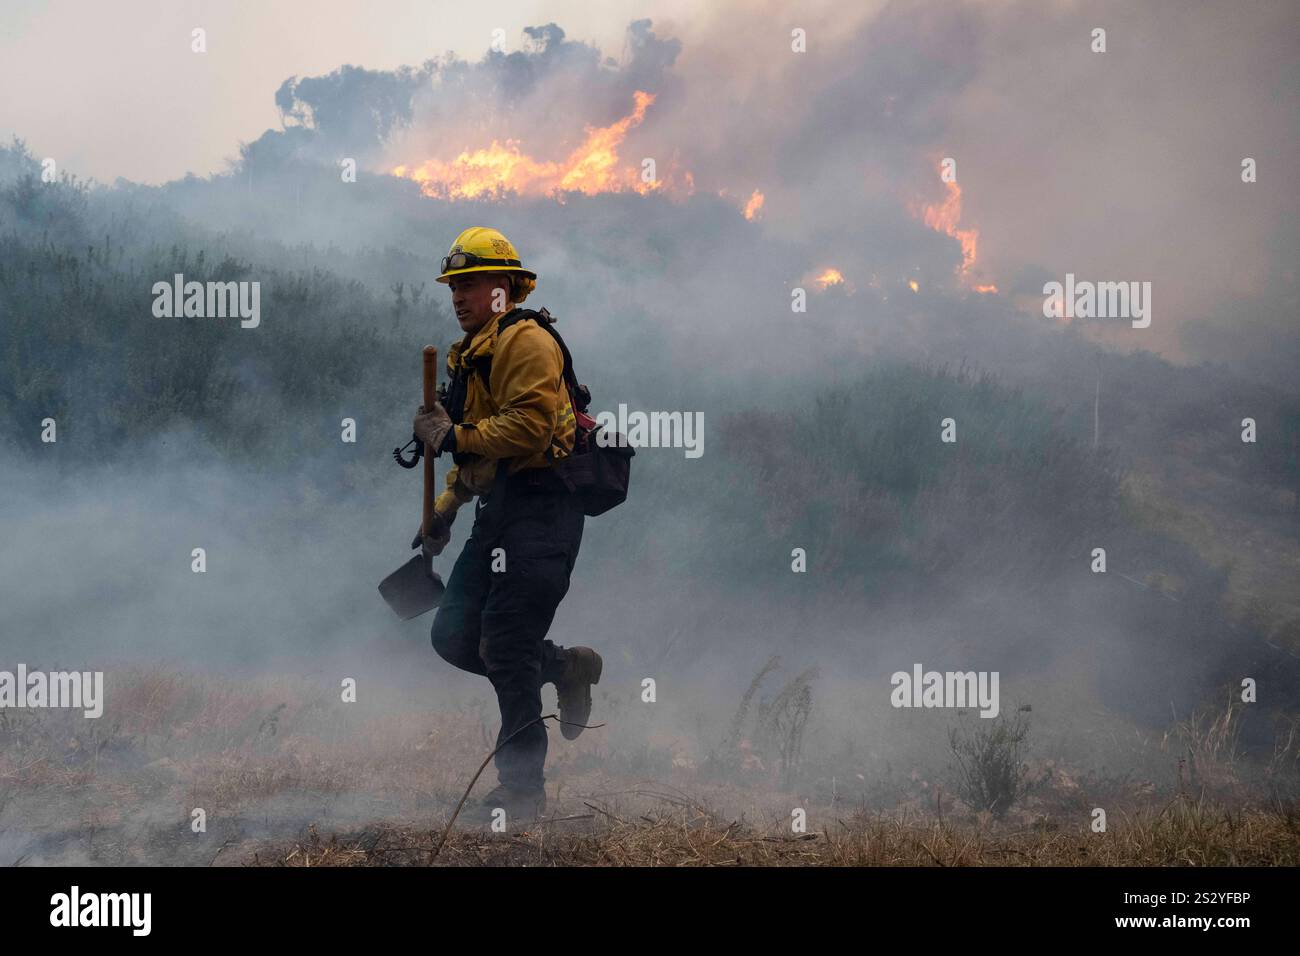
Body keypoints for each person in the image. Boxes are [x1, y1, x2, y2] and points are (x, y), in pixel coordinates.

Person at [411, 226, 602, 823]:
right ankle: (565, 667)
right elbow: (478, 458)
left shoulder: (526, 341)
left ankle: (521, 792)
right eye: (454, 287)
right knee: (452, 636)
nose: (459, 297)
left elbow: (529, 431)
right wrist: (443, 511)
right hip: (498, 514)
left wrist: (453, 434)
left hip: (544, 512)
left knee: (505, 645)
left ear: (505, 287)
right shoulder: (473, 355)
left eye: (470, 284)